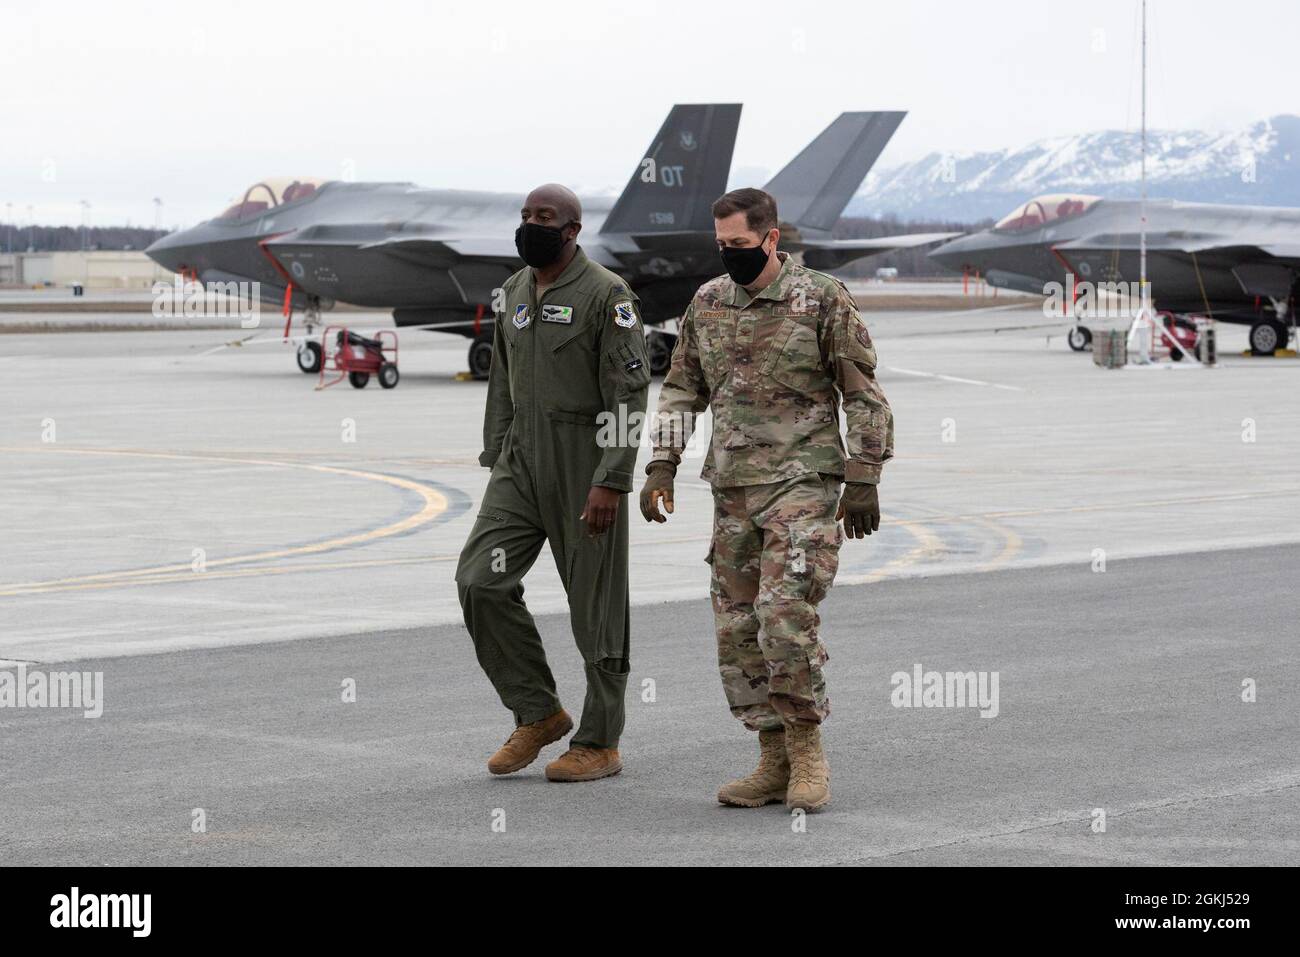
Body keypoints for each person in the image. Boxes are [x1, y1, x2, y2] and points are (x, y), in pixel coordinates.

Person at [639, 187, 893, 810]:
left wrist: (864, 471)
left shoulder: (821, 299)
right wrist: (662, 463)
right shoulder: (707, 303)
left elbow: (862, 391)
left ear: (772, 238)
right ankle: (771, 757)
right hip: (732, 491)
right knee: (738, 628)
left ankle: (808, 752)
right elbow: (680, 389)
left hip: (803, 483)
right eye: (722, 246)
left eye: (742, 246)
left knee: (784, 616)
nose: (731, 257)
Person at [455, 183, 650, 782]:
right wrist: (497, 454)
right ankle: (537, 713)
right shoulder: (514, 290)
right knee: (479, 581)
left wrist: (612, 480)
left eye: (545, 217)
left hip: (583, 464)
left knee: (594, 605)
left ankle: (600, 741)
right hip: (520, 464)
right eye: (525, 215)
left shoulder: (607, 295)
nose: (531, 224)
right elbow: (501, 380)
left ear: (572, 229)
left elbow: (629, 391)